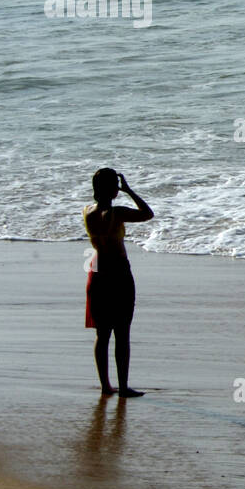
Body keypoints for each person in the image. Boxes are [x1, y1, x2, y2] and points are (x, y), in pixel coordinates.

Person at [83, 169, 153, 397]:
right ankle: (123, 387)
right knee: (122, 333)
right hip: (118, 273)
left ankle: (106, 386)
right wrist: (130, 190)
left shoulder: (87, 211)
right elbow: (147, 214)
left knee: (102, 334)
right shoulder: (117, 212)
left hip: (97, 272)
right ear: (113, 188)